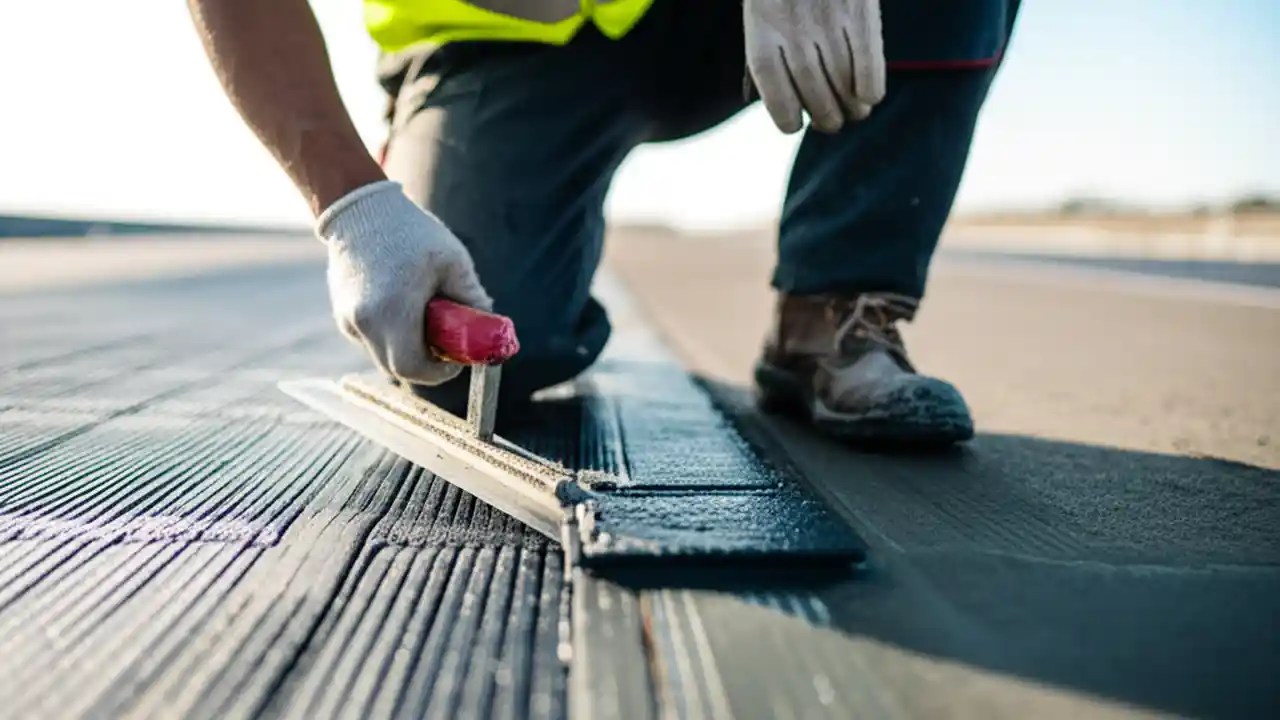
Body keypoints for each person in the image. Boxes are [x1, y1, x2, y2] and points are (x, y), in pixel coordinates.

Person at [189, 0, 1020, 446]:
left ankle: (833, 311)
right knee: (470, 359)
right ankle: (433, 144)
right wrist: (353, 207)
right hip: (495, 40)